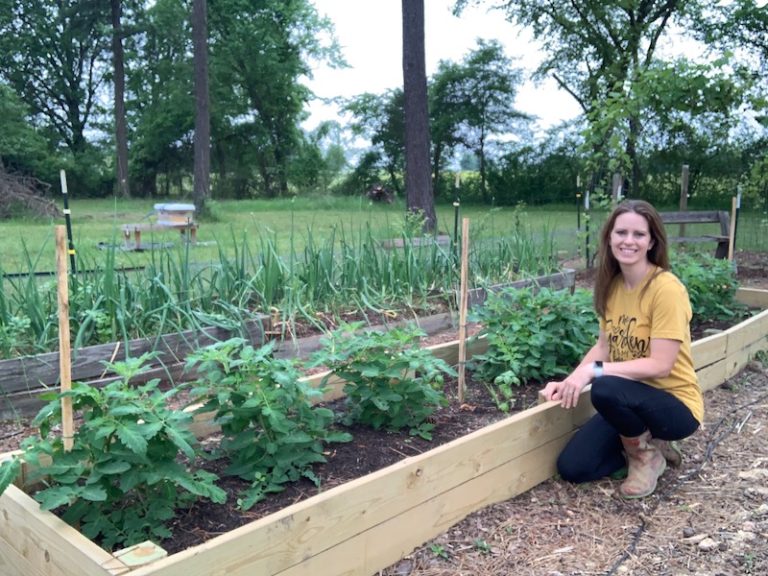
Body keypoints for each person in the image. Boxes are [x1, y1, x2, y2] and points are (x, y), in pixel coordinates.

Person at [541, 199, 703, 498]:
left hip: (674, 405)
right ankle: (649, 443)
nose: (628, 241)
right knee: (574, 468)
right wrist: (570, 380)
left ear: (652, 240)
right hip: (627, 400)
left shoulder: (666, 289)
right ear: (610, 237)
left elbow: (660, 365)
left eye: (639, 234)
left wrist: (594, 372)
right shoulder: (613, 287)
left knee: (604, 387)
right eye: (621, 233)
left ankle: (646, 457)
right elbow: (604, 346)